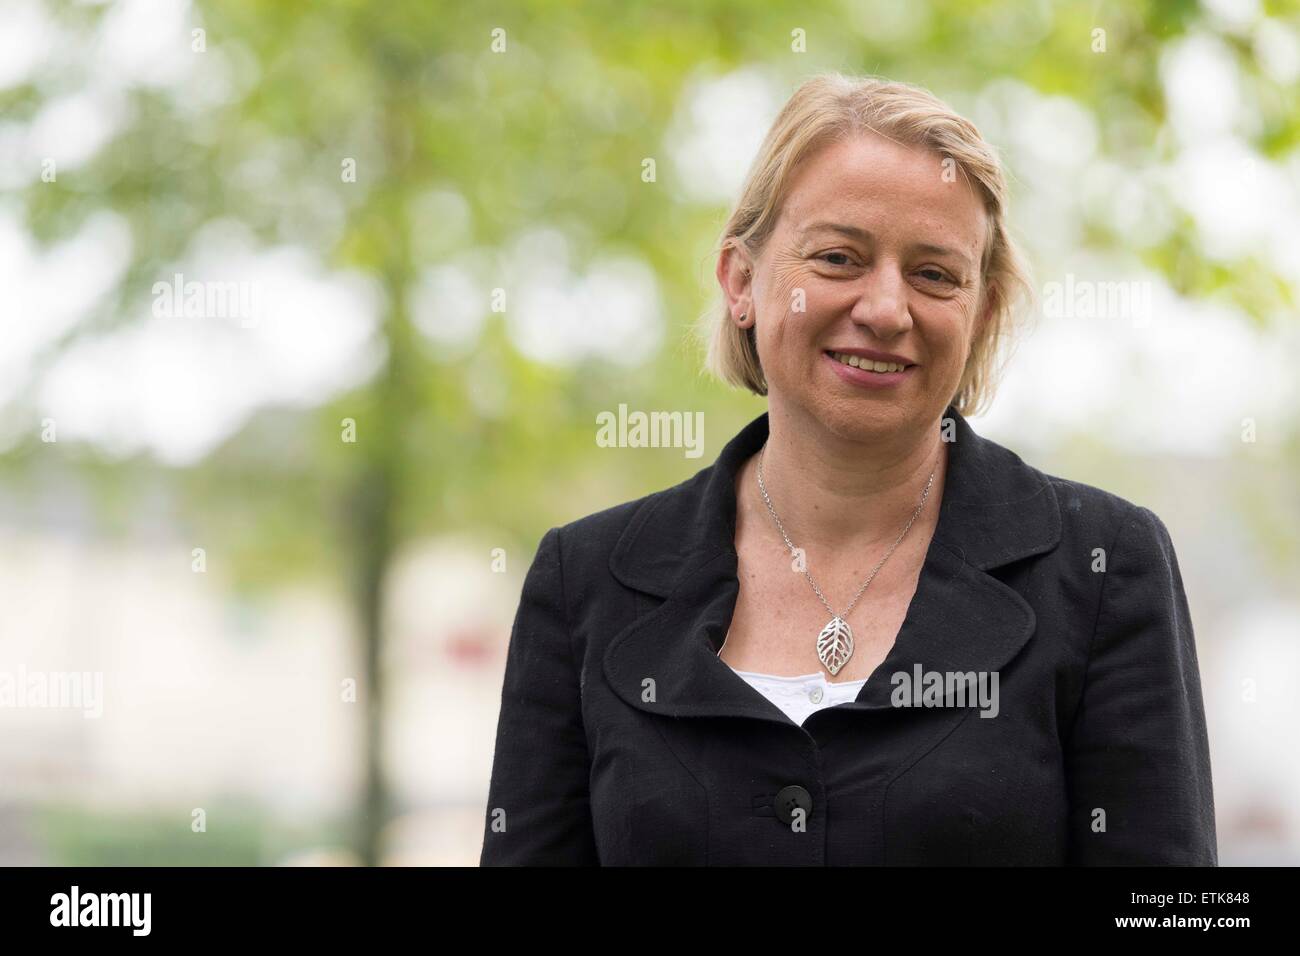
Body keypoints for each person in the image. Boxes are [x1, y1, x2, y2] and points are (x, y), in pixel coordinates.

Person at [479, 73, 1217, 865]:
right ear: (740, 281)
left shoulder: (1104, 565)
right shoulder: (585, 581)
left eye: (935, 274)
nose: (886, 309)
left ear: (984, 312)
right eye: (838, 258)